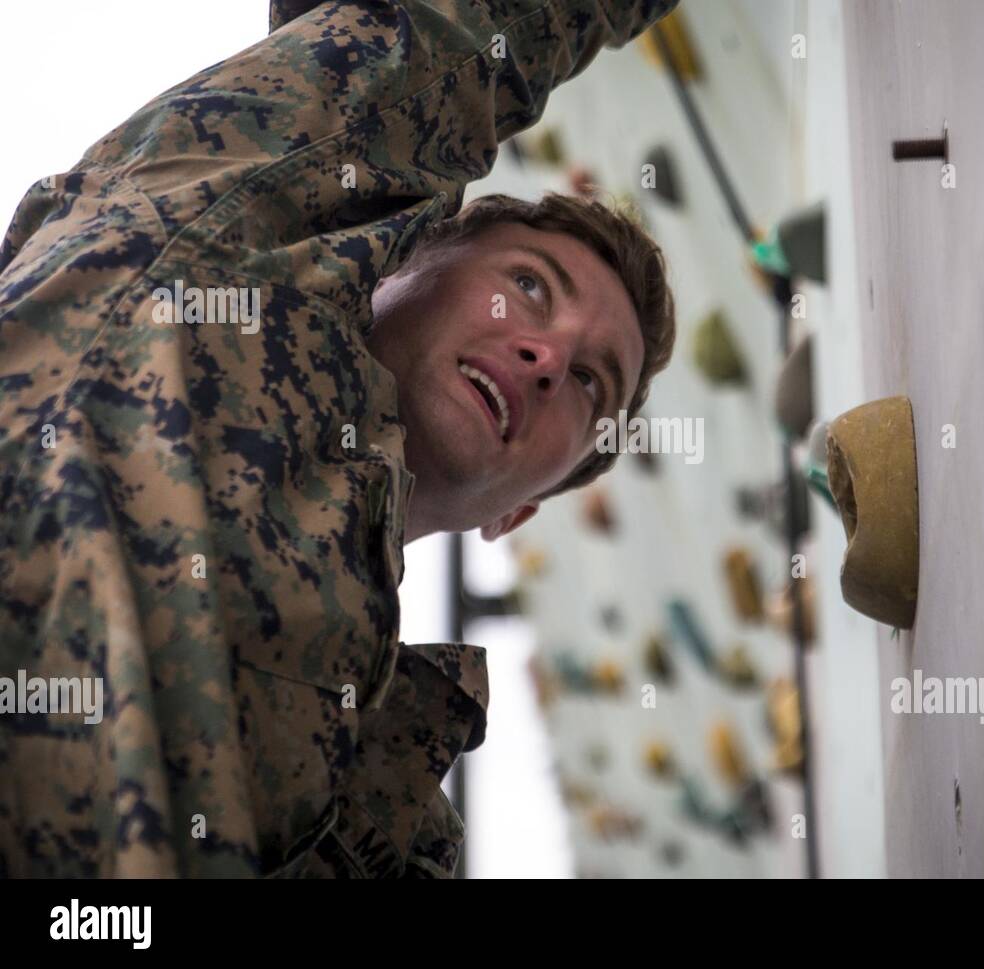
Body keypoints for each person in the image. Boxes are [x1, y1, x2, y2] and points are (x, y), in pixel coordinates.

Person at [0, 0, 678, 877]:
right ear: (402, 255)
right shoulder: (203, 243)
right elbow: (451, 35)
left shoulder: (388, 823)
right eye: (528, 286)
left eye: (592, 384)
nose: (547, 357)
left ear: (519, 514)